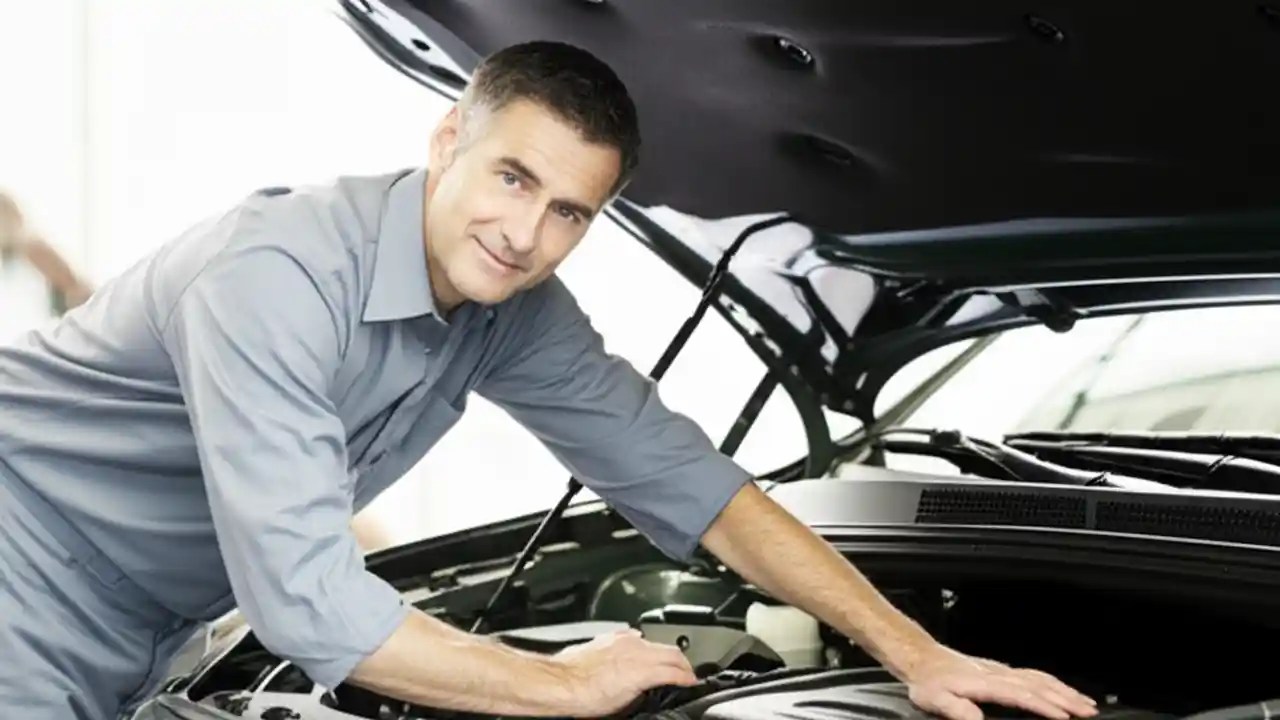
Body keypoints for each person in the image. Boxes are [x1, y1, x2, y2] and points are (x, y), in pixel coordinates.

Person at [0, 41, 1099, 720]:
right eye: (511, 176)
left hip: (164, 629)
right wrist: (565, 686)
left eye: (569, 209)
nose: (525, 234)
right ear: (447, 142)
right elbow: (310, 606)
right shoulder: (278, 273)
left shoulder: (511, 313)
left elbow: (693, 483)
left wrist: (919, 654)